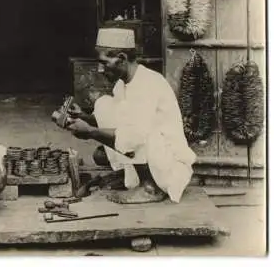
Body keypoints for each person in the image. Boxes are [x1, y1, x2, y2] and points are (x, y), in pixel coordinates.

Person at [64, 28, 196, 204]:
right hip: (151, 151)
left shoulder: (147, 84)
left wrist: (90, 132)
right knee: (104, 104)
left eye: (104, 63)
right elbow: (119, 116)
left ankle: (150, 188)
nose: (100, 69)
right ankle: (131, 175)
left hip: (168, 163)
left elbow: (135, 135)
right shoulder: (123, 83)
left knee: (135, 133)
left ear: (122, 59)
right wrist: (83, 117)